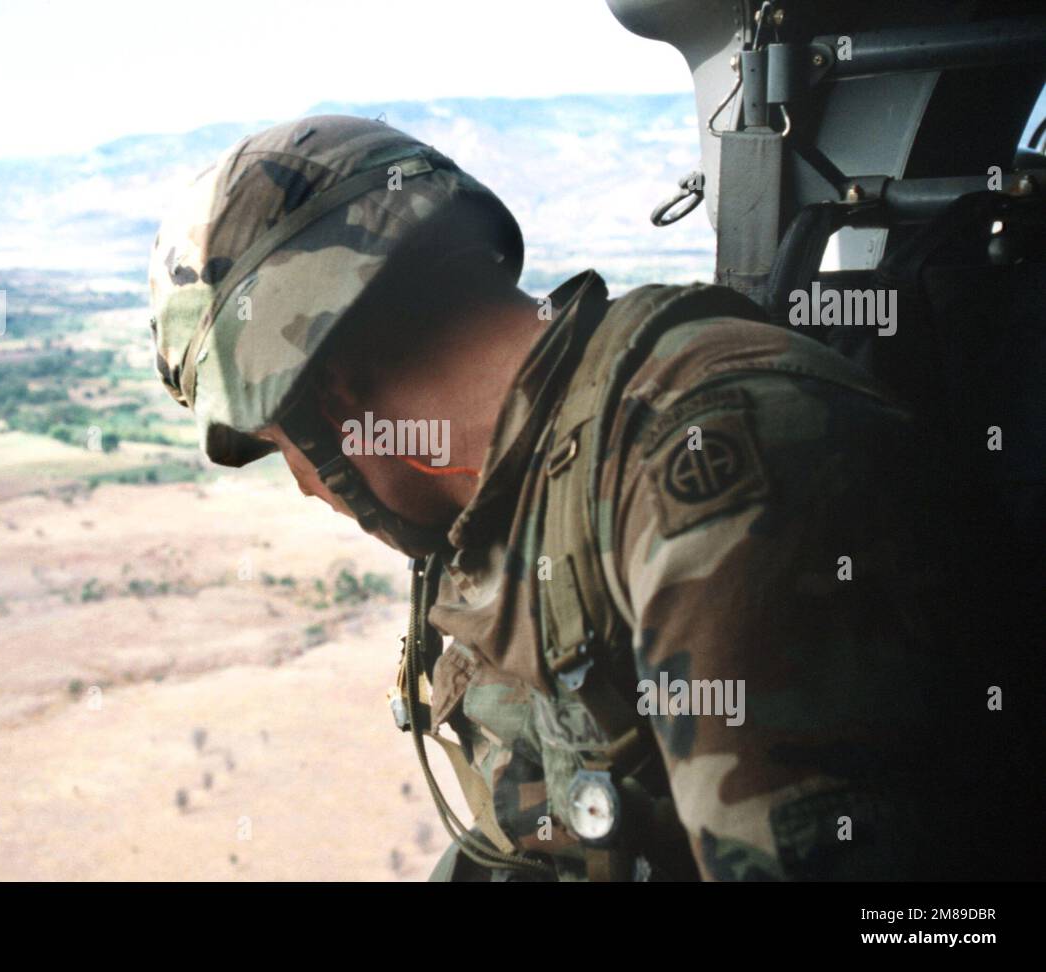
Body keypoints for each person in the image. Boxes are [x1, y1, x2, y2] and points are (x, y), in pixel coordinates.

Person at [148, 114, 1005, 881]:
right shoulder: (514, 498)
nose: (305, 488)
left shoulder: (711, 465)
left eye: (280, 448)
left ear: (330, 398)